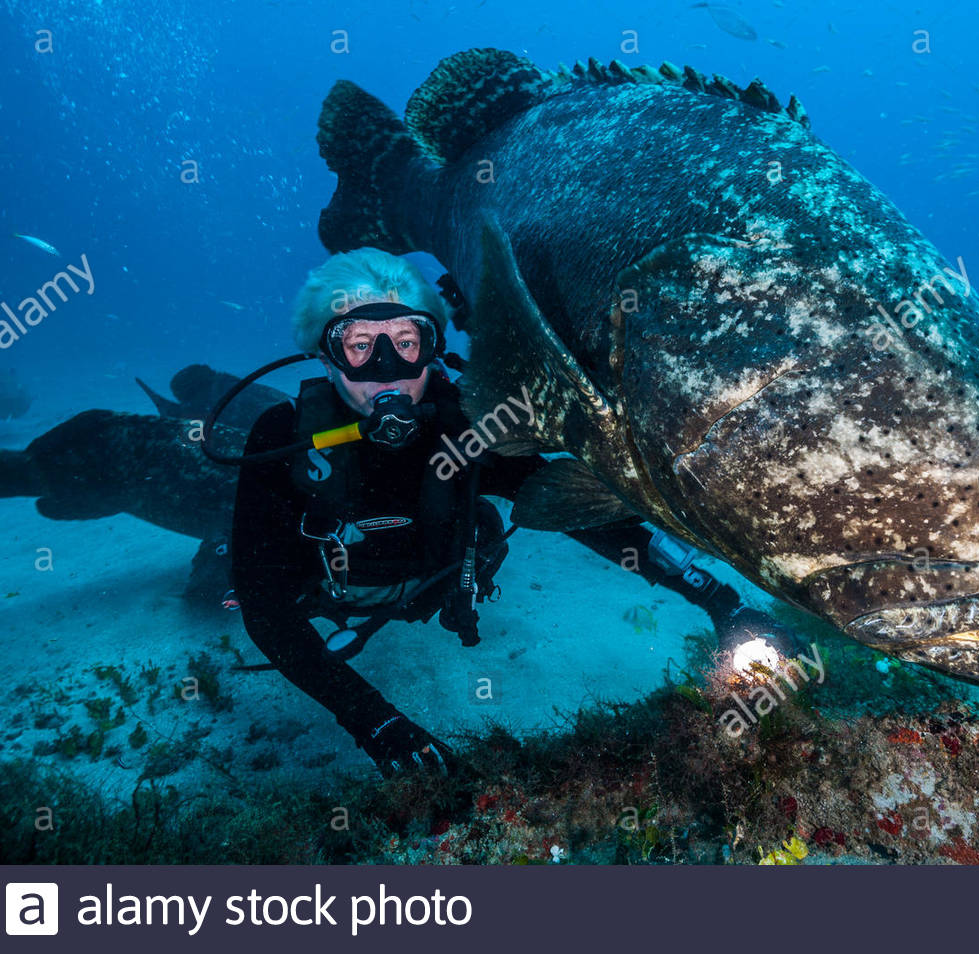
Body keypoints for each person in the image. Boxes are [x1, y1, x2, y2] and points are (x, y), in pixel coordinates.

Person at [230, 248, 790, 777]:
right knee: (232, 558)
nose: (386, 368)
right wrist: (375, 722)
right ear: (324, 355)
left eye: (405, 341)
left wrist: (718, 599)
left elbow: (577, 510)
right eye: (359, 345)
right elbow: (264, 607)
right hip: (330, 592)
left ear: (432, 347)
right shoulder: (283, 440)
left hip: (433, 584)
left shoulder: (469, 428)